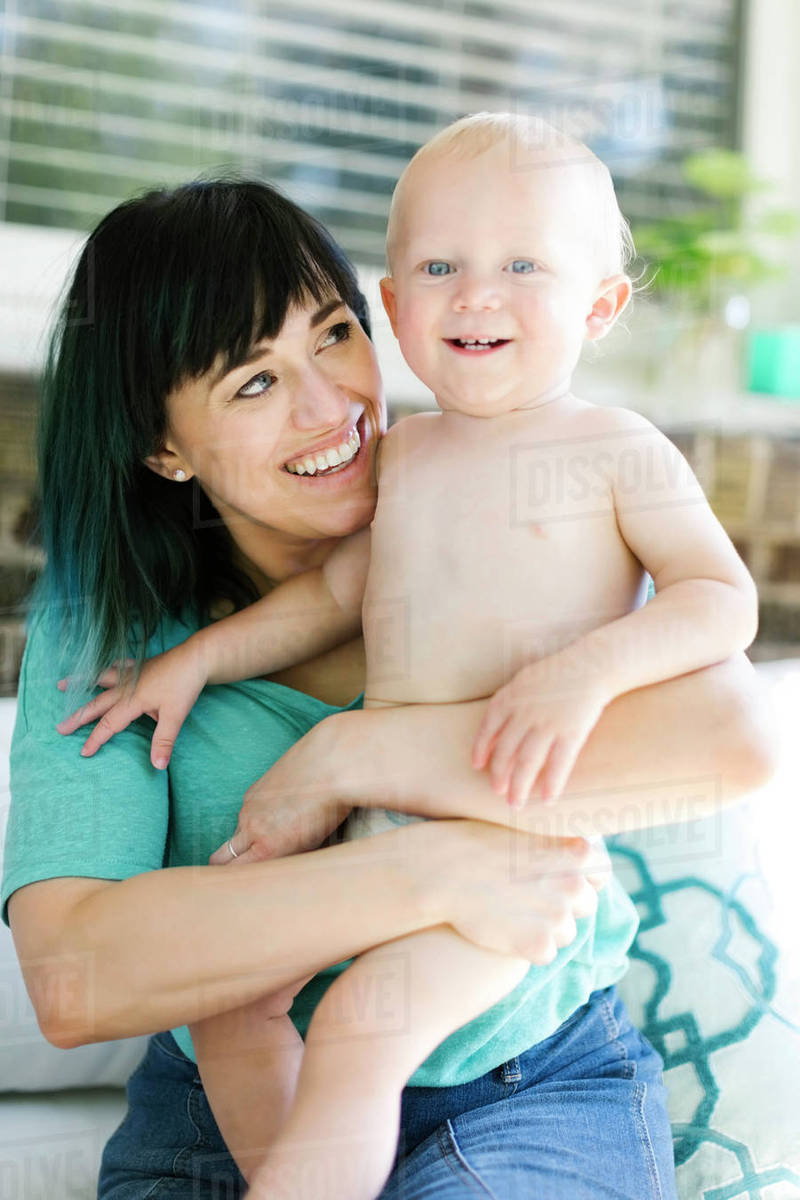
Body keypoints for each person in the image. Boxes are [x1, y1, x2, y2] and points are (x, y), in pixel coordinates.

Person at [2, 177, 774, 1200]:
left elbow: (733, 737)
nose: (330, 407)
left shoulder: (505, 500)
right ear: (162, 445)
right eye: (253, 382)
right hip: (221, 1105)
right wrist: (429, 875)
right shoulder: (117, 630)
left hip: (524, 1080)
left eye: (333, 334)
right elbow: (75, 973)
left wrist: (348, 755)